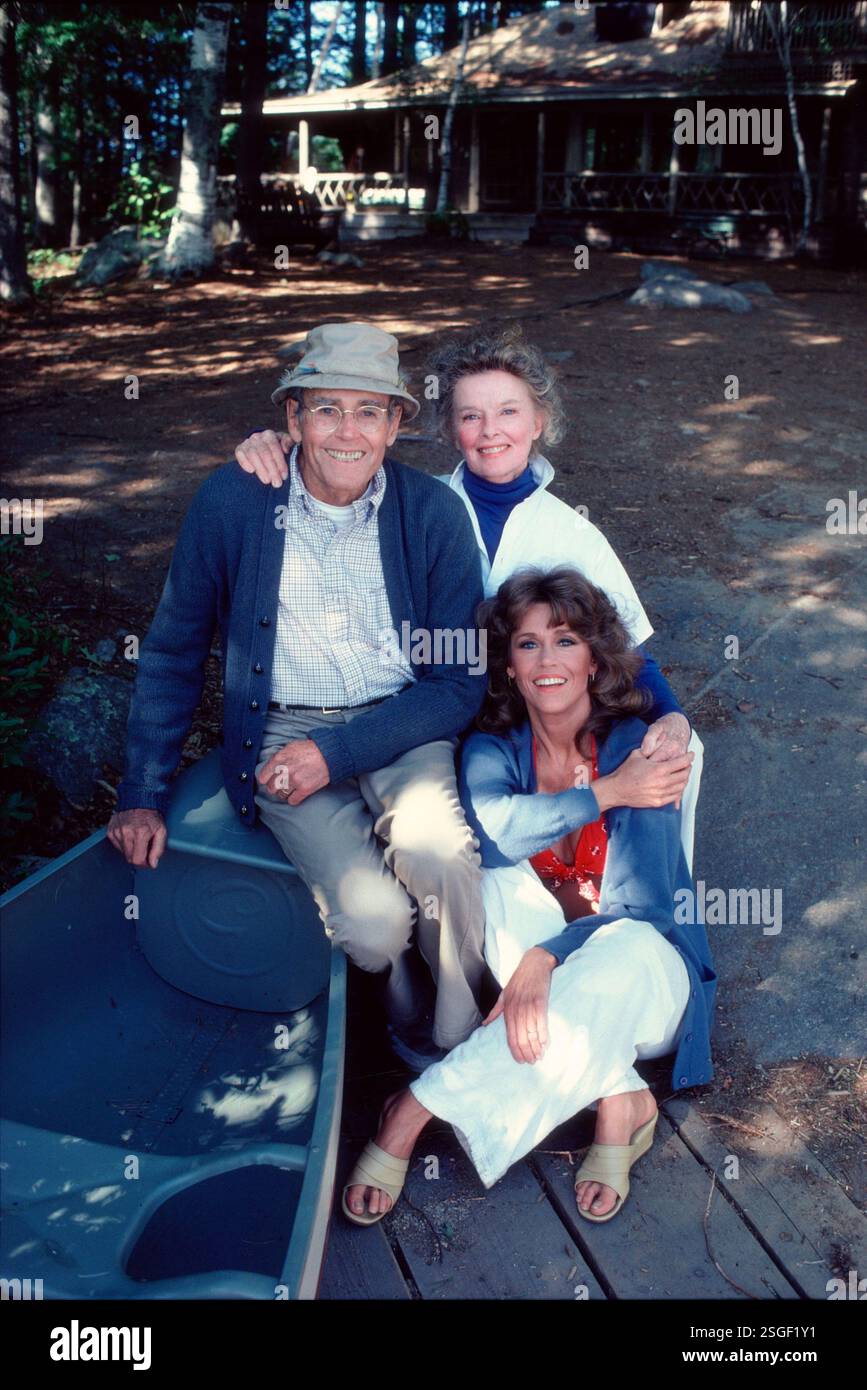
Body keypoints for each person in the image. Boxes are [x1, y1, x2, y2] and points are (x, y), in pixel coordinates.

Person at [108, 322, 490, 1064]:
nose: (347, 432)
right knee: (374, 926)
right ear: (291, 419)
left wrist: (339, 749)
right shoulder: (233, 502)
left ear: (396, 424)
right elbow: (173, 650)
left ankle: (452, 1043)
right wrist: (141, 791)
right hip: (278, 731)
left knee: (438, 855)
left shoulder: (433, 516)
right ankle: (402, 1015)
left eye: (369, 410)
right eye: (325, 409)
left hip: (403, 722)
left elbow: (455, 682)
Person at [234, 322, 703, 871]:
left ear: (539, 422)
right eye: (470, 416)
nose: (490, 431)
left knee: (682, 749)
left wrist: (673, 718)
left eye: (508, 412)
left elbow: (629, 653)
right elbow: (338, 454)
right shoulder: (421, 509)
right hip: (442, 718)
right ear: (450, 428)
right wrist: (277, 445)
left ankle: (648, 911)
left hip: (542, 716)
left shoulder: (574, 535)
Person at [340, 567, 717, 1225]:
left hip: (646, 983)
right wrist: (603, 795)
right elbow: (491, 832)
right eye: (527, 644)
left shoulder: (635, 749)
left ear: (594, 658)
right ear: (507, 665)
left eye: (566, 640)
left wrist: (543, 959)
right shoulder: (493, 747)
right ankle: (621, 1102)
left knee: (623, 945)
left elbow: (647, 914)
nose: (547, 660)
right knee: (491, 880)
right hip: (554, 997)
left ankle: (414, 1108)